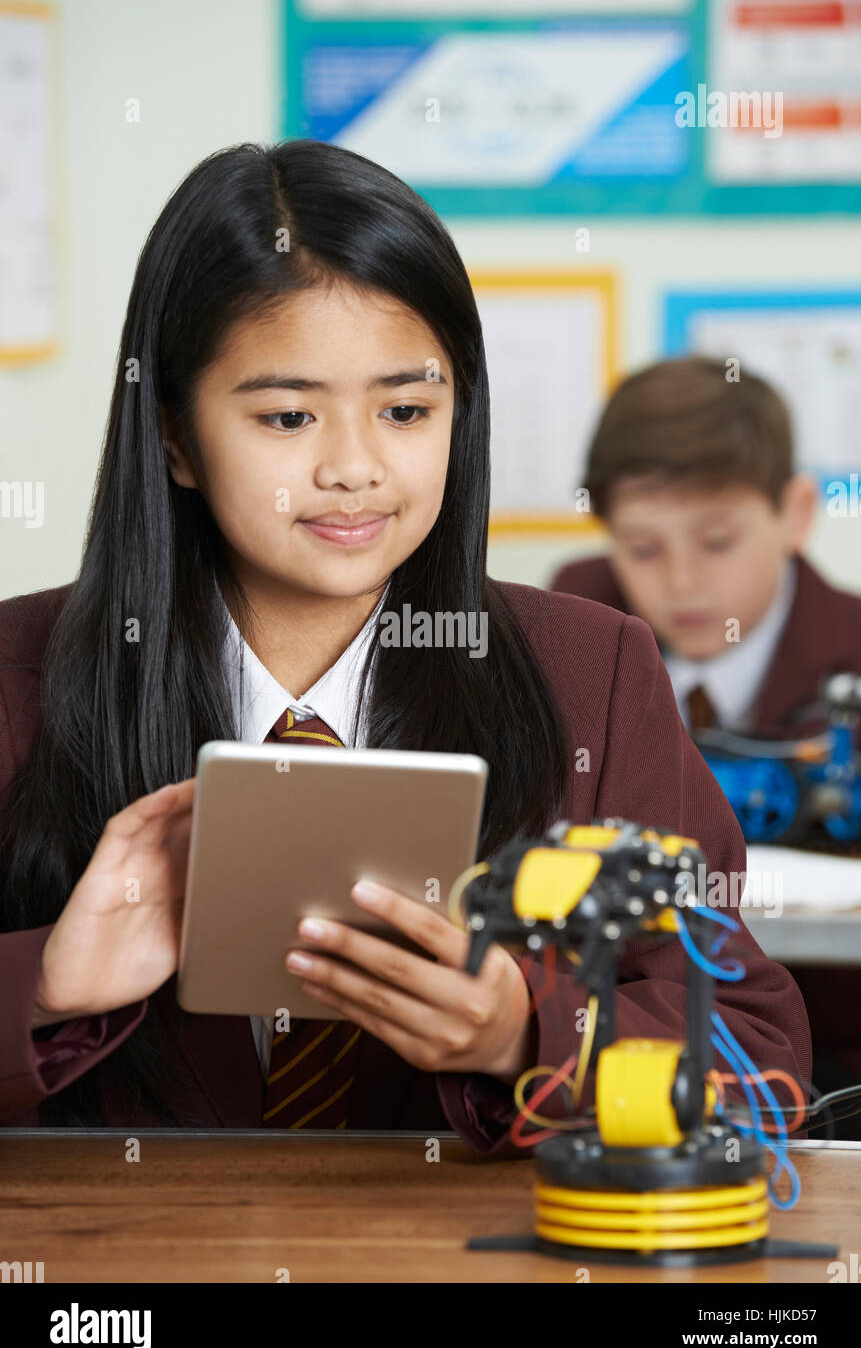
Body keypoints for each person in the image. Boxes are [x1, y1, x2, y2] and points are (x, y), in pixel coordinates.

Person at [0, 145, 809, 1156]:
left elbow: (754, 1061)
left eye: (407, 411)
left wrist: (527, 1033)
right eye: (288, 415)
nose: (354, 468)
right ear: (174, 436)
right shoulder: (16, 676)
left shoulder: (592, 670)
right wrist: (43, 986)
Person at [550, 355, 861, 1136]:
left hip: (845, 1073)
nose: (682, 583)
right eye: (643, 548)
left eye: (717, 541)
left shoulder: (858, 649)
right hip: (621, 1067)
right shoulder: (563, 629)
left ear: (795, 512)